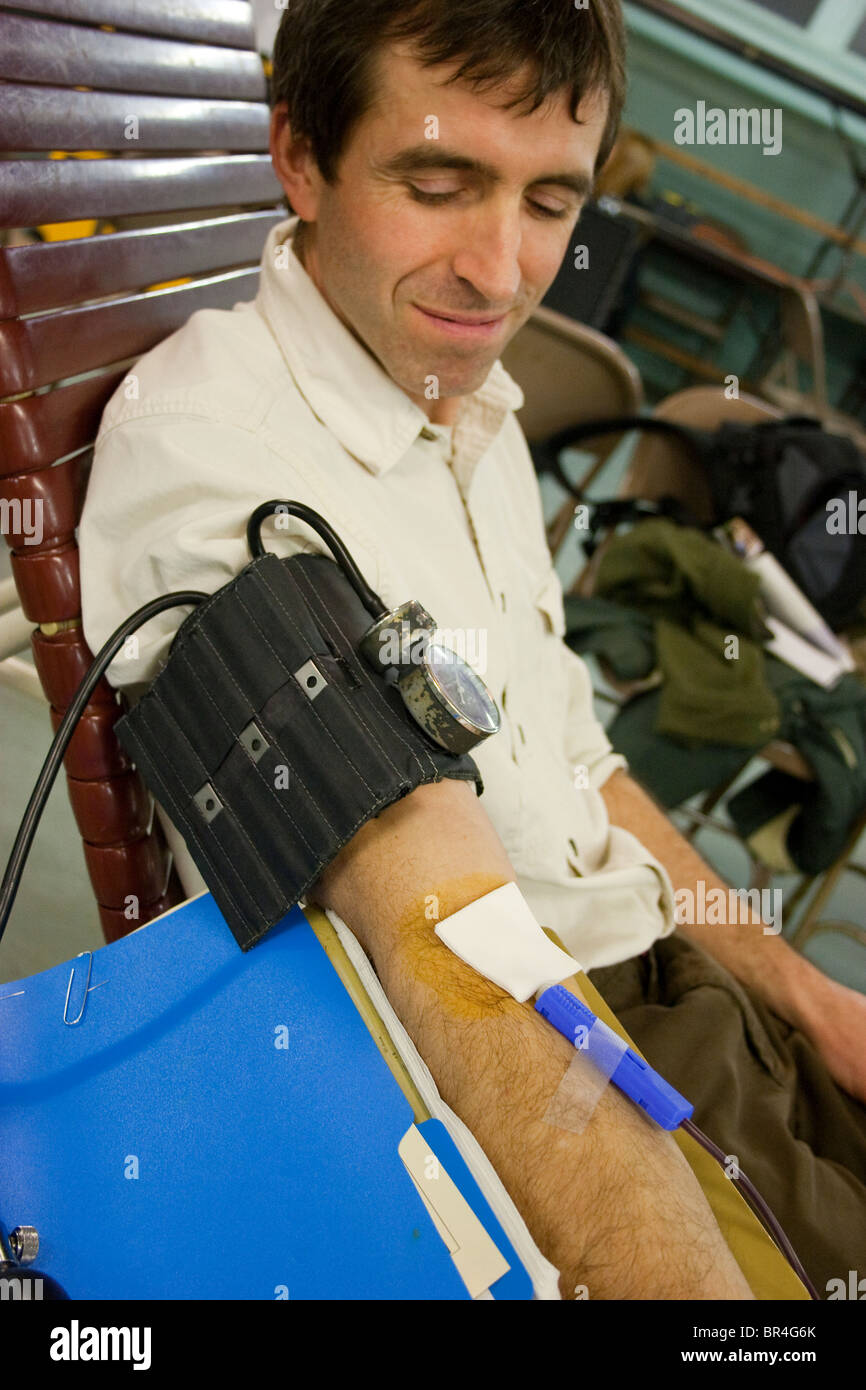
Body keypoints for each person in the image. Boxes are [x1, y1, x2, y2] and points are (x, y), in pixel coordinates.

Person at [78, 0, 866, 1297]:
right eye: (438, 185)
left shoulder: (463, 403)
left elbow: (585, 770)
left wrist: (810, 998)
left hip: (687, 994)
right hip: (576, 1062)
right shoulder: (218, 463)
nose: (499, 272)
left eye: (549, 202)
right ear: (299, 155)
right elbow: (437, 921)